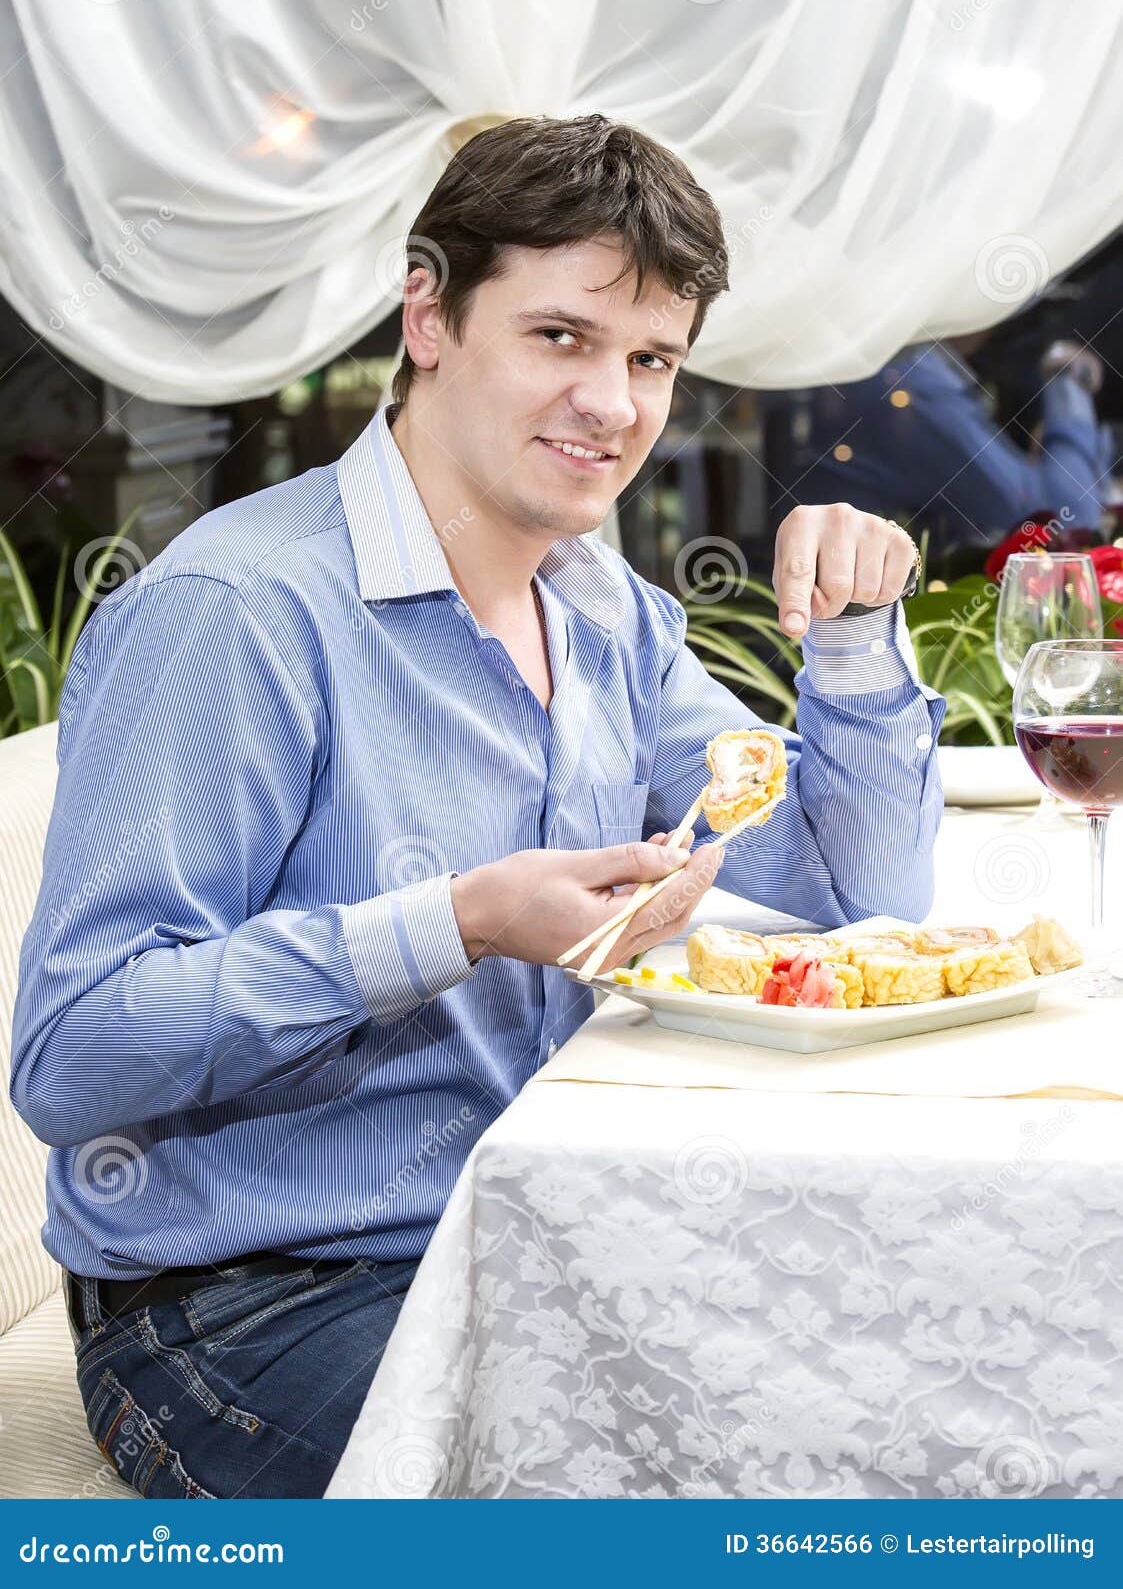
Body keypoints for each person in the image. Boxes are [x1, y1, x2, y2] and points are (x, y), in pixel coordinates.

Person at [10, 114, 945, 1499]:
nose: (613, 404)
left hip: (518, 1230)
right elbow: (73, 1056)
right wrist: (451, 922)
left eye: (648, 360)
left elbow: (854, 888)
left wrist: (857, 639)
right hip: (246, 1311)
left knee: (889, 1402)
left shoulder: (601, 606)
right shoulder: (241, 613)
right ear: (429, 314)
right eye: (559, 337)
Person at [768, 333, 1109, 552]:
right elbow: (1066, 525)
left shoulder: (870, 359)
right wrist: (1069, 379)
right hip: (840, 636)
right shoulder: (906, 383)